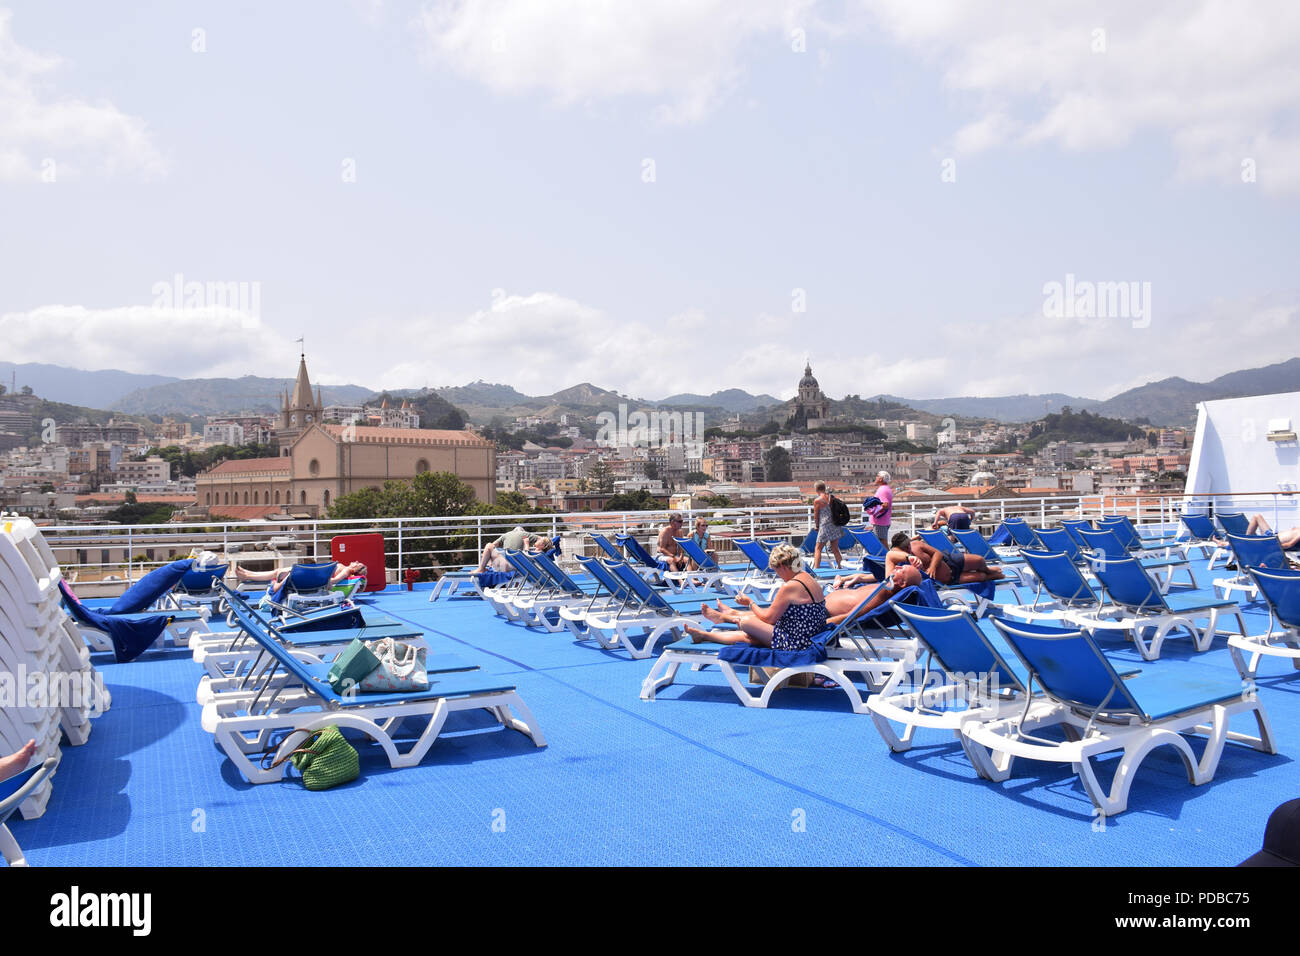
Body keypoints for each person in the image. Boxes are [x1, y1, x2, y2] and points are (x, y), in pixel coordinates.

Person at [684, 543, 826, 650]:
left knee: (746, 622)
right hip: (811, 635)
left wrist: (750, 602)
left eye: (776, 570)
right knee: (751, 636)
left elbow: (768, 618)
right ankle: (705, 635)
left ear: (782, 566)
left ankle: (725, 618)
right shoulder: (807, 577)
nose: (778, 575)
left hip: (797, 641)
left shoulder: (790, 586)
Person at [893, 531, 1003, 586]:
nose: (909, 548)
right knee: (981, 576)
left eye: (909, 545)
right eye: (905, 547)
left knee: (979, 560)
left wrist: (932, 568)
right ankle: (992, 574)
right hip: (949, 579)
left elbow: (937, 553)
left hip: (949, 561)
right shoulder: (898, 560)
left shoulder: (916, 544)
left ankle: (988, 570)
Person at [824, 564, 923, 623]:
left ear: (902, 583)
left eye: (901, 570)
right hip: (821, 606)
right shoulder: (885, 585)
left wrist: (822, 625)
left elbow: (851, 616)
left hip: (823, 614)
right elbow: (891, 556)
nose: (897, 566)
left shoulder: (883, 592)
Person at [235, 559, 368, 589]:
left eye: (358, 564)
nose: (355, 561)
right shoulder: (344, 568)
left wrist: (322, 582)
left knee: (277, 573)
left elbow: (333, 581)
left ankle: (247, 575)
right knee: (277, 572)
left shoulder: (345, 571)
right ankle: (247, 573)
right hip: (311, 573)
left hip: (310, 577)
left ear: (355, 570)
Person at [474, 526, 554, 573]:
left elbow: (526, 557)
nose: (538, 539)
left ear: (543, 546)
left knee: (488, 545)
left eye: (540, 540)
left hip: (510, 567)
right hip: (512, 565)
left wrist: (526, 543)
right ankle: (483, 567)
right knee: (489, 546)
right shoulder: (538, 552)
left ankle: (481, 568)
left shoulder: (538, 552)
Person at [811, 481, 845, 569]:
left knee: (818, 548)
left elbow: (816, 515)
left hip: (825, 526)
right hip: (835, 524)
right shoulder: (832, 498)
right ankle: (841, 567)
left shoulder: (817, 500)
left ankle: (817, 570)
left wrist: (817, 526)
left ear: (816, 489)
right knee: (835, 549)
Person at [865, 471, 894, 545]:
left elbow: (885, 504)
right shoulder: (885, 488)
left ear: (881, 479)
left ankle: (887, 556)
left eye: (877, 476)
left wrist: (874, 510)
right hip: (882, 521)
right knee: (881, 542)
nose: (876, 477)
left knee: (882, 543)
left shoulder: (883, 490)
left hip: (880, 522)